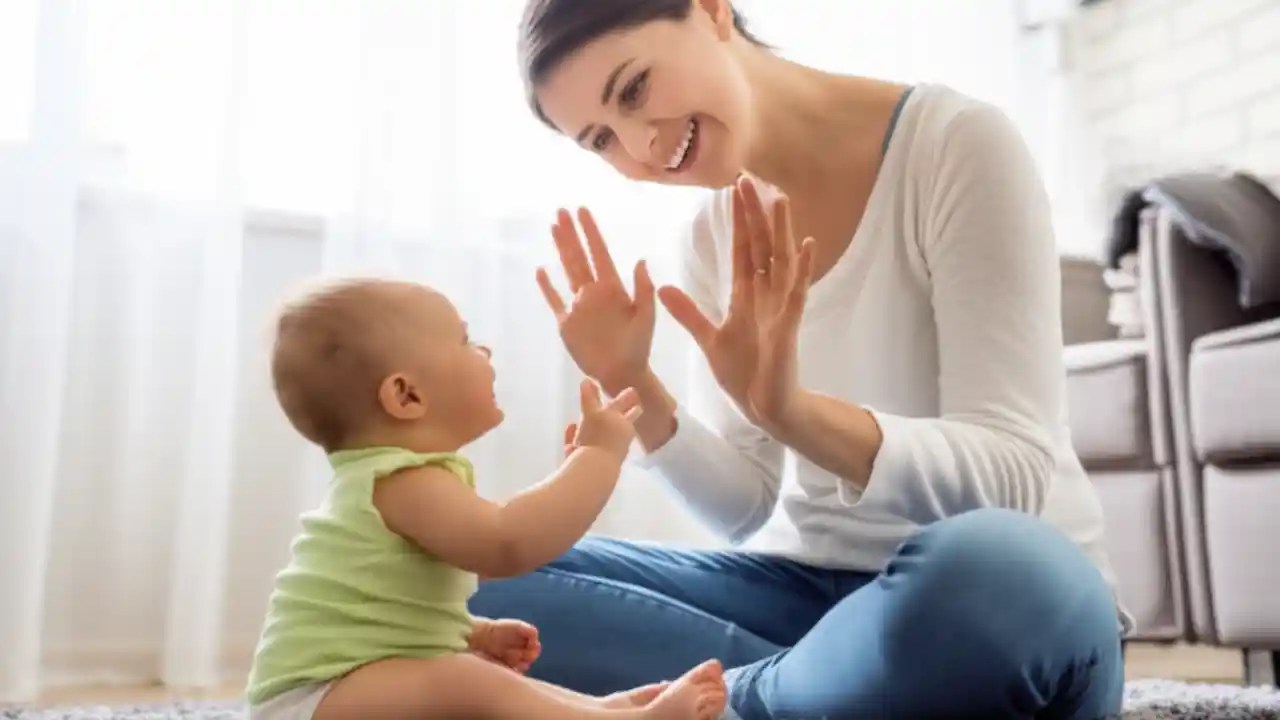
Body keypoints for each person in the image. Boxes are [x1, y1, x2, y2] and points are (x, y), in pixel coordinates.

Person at [470, 1, 1129, 718]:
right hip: (802, 609)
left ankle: (714, 702)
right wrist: (637, 387)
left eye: (633, 90)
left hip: (991, 604)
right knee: (465, 581)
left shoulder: (955, 145)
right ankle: (782, 697)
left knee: (994, 577)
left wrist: (794, 412)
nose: (642, 146)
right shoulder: (711, 235)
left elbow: (1014, 477)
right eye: (602, 139)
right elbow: (751, 507)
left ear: (712, 12)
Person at [245, 278, 728, 720]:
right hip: (311, 699)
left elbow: (391, 607)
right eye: (465, 341)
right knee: (464, 680)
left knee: (474, 669)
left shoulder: (396, 482)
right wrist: (597, 456)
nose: (485, 349)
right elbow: (509, 543)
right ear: (406, 396)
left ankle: (595, 708)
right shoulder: (401, 481)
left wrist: (471, 630)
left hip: (344, 686)